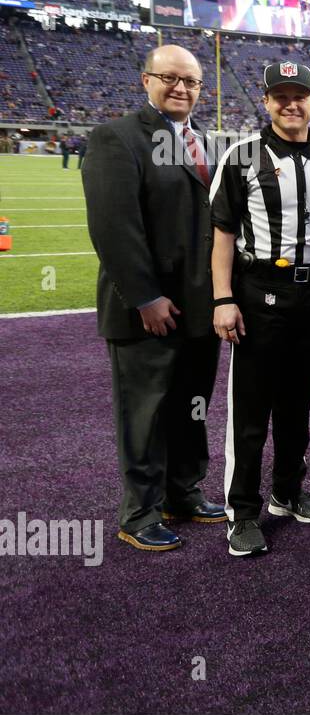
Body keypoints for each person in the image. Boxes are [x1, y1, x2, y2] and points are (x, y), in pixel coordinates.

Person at [81, 45, 225, 552]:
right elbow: (114, 227)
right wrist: (145, 296)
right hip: (147, 309)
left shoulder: (205, 143)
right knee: (144, 413)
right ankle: (139, 511)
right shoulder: (116, 137)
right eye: (169, 78)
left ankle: (184, 491)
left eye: (190, 81)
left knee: (191, 405)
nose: (180, 88)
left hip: (200, 306)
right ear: (146, 80)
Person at [209, 61, 310, 556]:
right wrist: (222, 298)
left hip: (309, 295)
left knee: (298, 402)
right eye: (280, 96)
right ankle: (242, 510)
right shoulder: (241, 158)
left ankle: (287, 490)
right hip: (258, 291)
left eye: (299, 96)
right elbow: (222, 233)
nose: (291, 104)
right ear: (265, 102)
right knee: (251, 407)